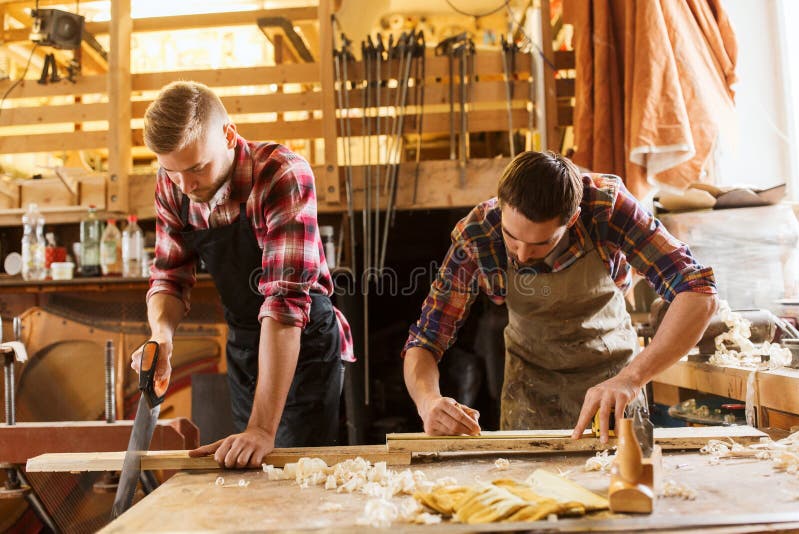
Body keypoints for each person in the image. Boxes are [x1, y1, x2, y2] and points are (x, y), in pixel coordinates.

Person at [402, 151, 717, 442]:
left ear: (572, 219)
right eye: (512, 238)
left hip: (614, 383)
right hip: (530, 391)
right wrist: (428, 402)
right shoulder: (478, 233)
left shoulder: (607, 208)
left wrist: (632, 378)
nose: (522, 255)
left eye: (540, 244)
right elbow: (425, 339)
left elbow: (697, 289)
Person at [132, 81, 354, 468]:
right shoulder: (174, 183)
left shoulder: (281, 174)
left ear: (229, 136)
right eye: (172, 171)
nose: (186, 185)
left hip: (302, 342)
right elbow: (169, 277)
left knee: (299, 474)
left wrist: (261, 429)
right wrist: (161, 336)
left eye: (197, 168)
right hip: (245, 344)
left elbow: (285, 304)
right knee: (248, 469)